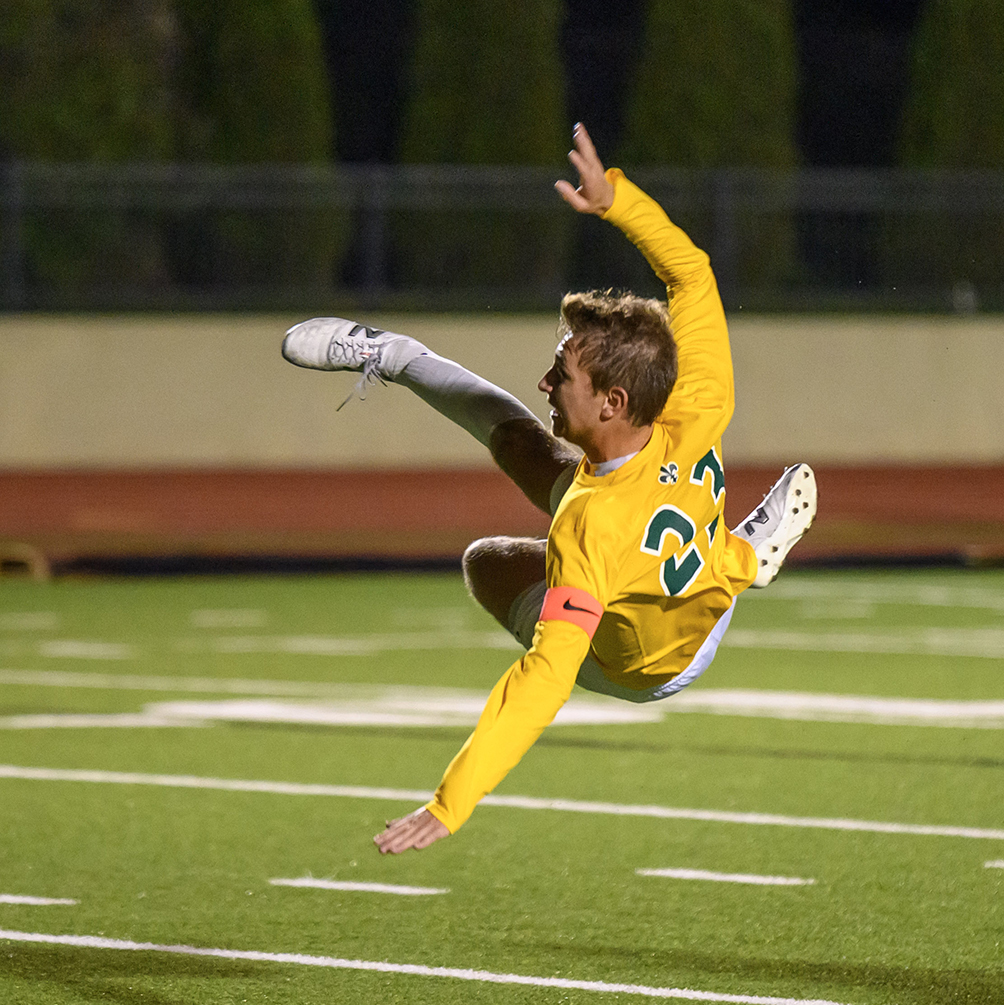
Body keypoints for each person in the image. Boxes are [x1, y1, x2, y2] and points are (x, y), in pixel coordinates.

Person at [279, 124, 816, 854]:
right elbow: (692, 276)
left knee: (484, 562)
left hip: (646, 668)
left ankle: (747, 557)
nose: (546, 381)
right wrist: (617, 201)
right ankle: (399, 358)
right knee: (536, 450)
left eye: (562, 376)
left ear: (614, 403)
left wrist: (450, 800)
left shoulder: (590, 528)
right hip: (691, 581)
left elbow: (544, 678)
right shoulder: (695, 398)